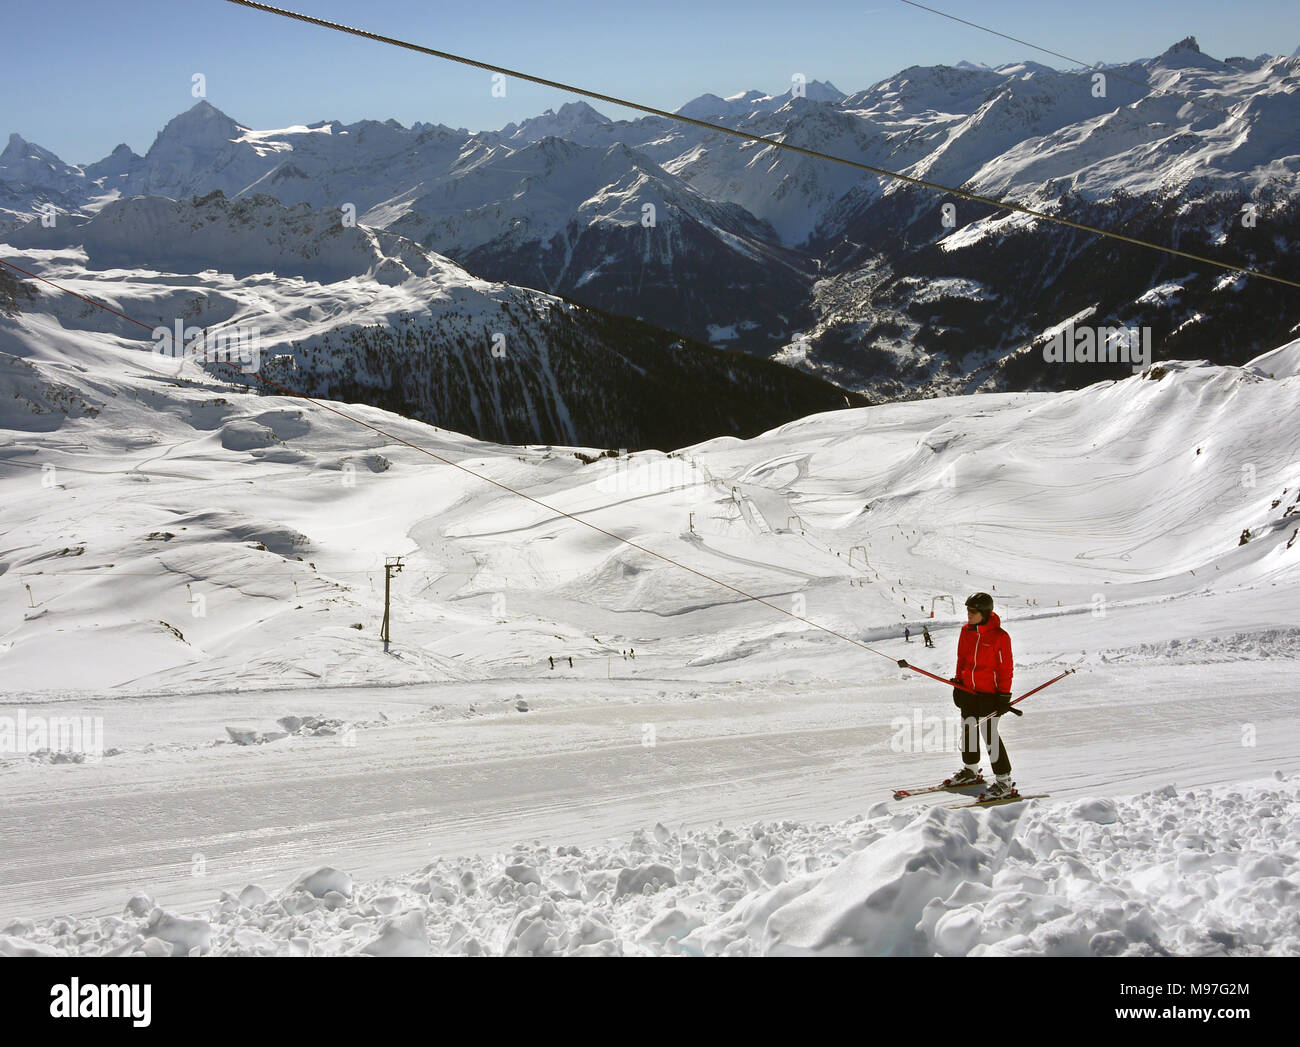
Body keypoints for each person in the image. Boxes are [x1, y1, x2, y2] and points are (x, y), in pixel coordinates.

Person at [948, 592, 1016, 797]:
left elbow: (1006, 669)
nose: (968, 614)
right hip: (968, 690)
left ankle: (1004, 781)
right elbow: (961, 658)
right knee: (968, 729)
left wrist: (1004, 697)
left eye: (973, 611)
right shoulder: (966, 631)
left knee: (990, 735)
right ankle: (970, 770)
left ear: (985, 613)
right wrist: (958, 682)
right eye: (968, 610)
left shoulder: (1000, 637)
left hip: (989, 695)